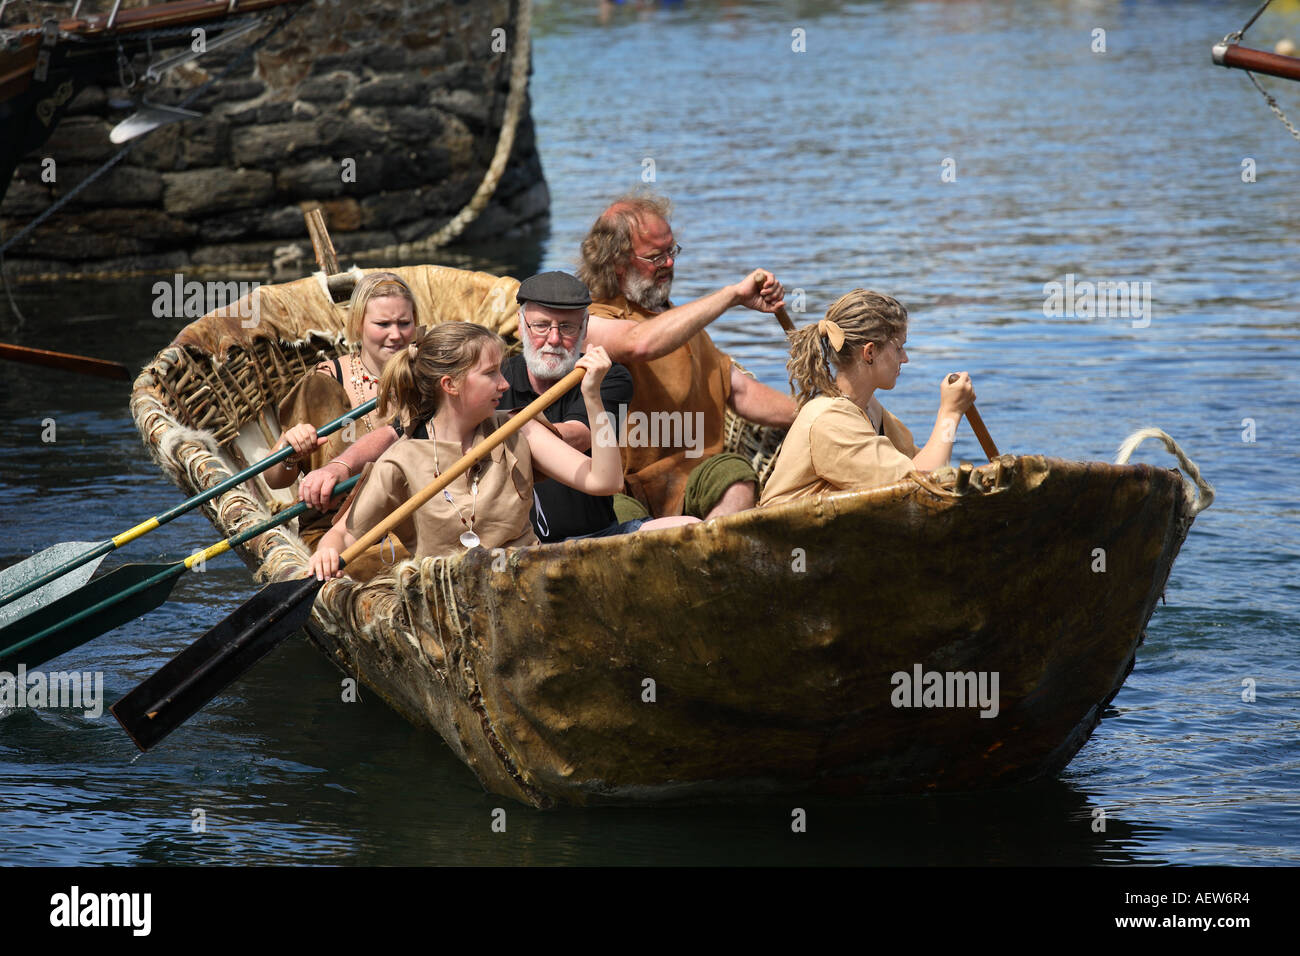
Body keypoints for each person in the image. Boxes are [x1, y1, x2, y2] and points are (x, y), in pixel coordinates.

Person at [308, 322, 694, 579]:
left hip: (533, 578)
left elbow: (605, 481)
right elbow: (342, 536)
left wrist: (593, 398)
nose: (504, 384)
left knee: (690, 530)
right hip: (453, 600)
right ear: (451, 385)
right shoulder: (401, 459)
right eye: (490, 373)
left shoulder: (517, 428)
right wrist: (326, 554)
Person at [577, 193, 798, 520]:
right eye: (655, 256)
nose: (669, 263)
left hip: (692, 478)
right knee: (610, 518)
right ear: (616, 263)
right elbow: (639, 343)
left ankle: (716, 558)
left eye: (672, 251)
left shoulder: (681, 324)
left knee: (735, 477)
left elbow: (738, 390)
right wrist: (732, 295)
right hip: (620, 487)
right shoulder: (587, 320)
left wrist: (819, 413)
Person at [758, 289, 976, 508]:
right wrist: (951, 412)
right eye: (899, 348)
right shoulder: (829, 420)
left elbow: (921, 463)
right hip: (788, 538)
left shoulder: (870, 409)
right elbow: (924, 486)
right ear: (869, 352)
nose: (905, 358)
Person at [267, 271, 419, 540]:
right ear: (359, 325)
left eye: (404, 323)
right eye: (383, 324)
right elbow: (275, 479)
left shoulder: (431, 375)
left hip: (417, 520)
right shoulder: (323, 384)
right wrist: (291, 451)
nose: (396, 335)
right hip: (337, 529)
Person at [504, 271, 643, 541]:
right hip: (515, 546)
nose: (554, 339)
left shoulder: (611, 376)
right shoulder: (496, 380)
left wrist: (513, 429)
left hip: (596, 537)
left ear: (585, 328)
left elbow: (579, 436)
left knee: (684, 525)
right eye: (541, 326)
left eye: (567, 327)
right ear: (521, 326)